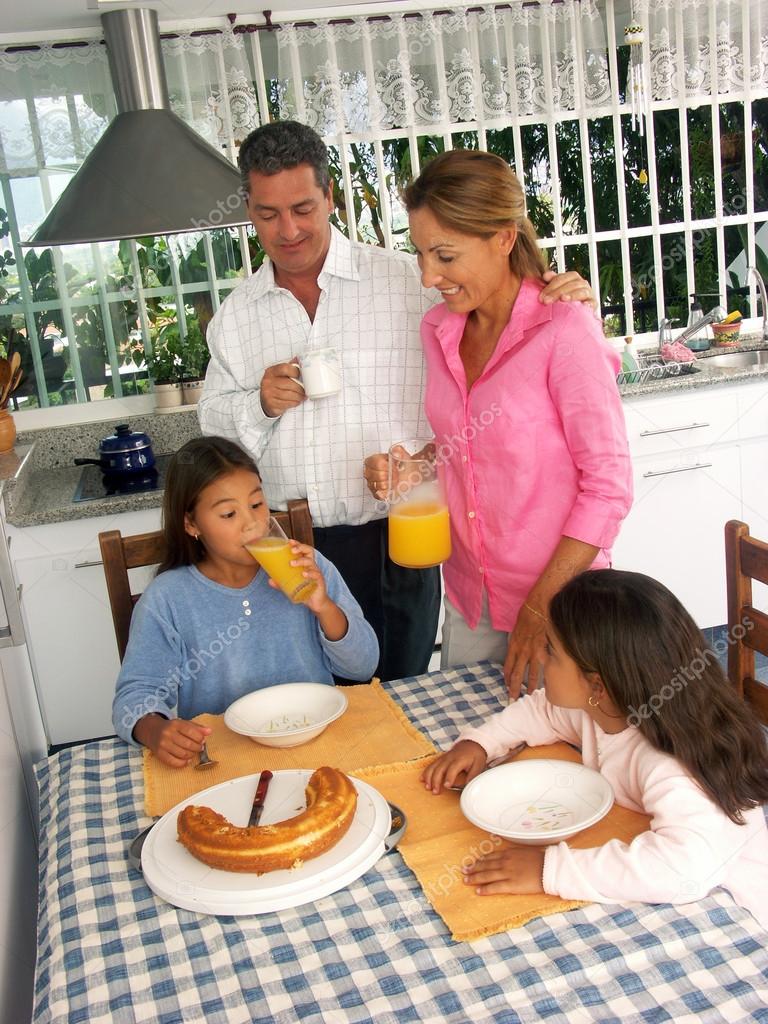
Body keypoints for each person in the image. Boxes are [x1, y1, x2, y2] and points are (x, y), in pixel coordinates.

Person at [198, 120, 595, 683]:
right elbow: (211, 426)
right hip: (288, 547)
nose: (287, 229)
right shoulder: (237, 315)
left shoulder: (410, 283)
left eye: (304, 208)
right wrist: (258, 404)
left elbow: (502, 313)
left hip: (394, 535)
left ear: (330, 195)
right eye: (267, 214)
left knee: (403, 700)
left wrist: (560, 295)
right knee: (306, 700)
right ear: (248, 208)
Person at [365, 149, 632, 696]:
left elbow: (609, 488)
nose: (427, 276)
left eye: (444, 255)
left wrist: (539, 610)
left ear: (504, 239)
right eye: (419, 254)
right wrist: (412, 467)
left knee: (565, 768)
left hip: (562, 603)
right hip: (470, 596)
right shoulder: (438, 331)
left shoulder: (565, 329)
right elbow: (462, 447)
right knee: (476, 753)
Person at [422, 569, 768, 928]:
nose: (539, 656)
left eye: (551, 651)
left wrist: (549, 869)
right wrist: (481, 742)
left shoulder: (670, 763)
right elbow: (543, 711)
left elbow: (683, 866)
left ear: (597, 686)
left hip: (733, 915)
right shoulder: (604, 708)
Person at [112, 436, 378, 767]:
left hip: (318, 747)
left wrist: (324, 607)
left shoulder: (308, 567)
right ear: (191, 524)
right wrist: (155, 730)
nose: (251, 523)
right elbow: (135, 696)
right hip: (226, 759)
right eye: (228, 513)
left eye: (256, 505)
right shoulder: (168, 599)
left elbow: (364, 665)